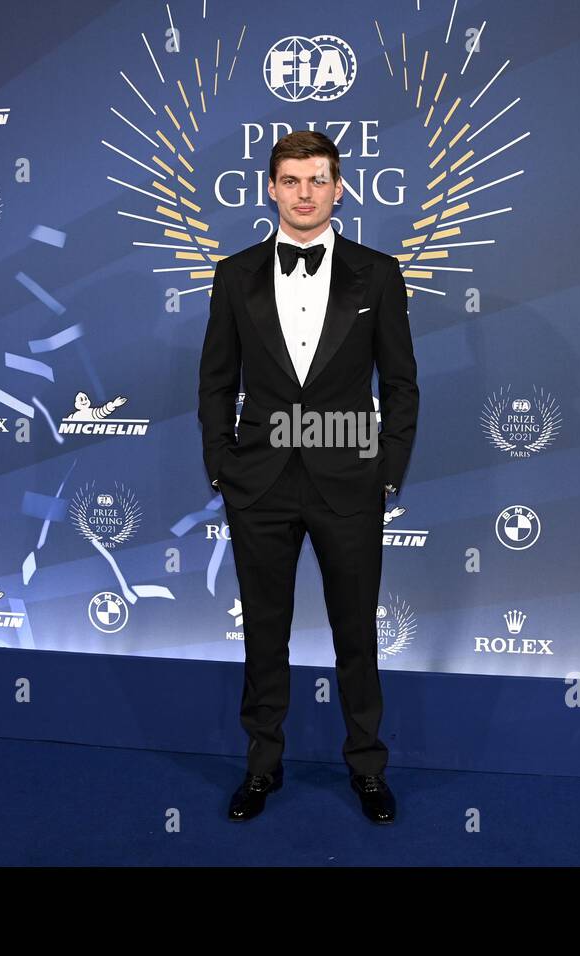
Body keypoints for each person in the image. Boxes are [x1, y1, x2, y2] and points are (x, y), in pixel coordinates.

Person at [197, 130, 419, 824]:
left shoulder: (377, 274)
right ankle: (262, 765)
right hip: (258, 485)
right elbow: (214, 382)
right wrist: (222, 469)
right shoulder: (233, 275)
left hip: (348, 478)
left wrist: (386, 472)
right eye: (290, 180)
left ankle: (367, 766)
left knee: (357, 631)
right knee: (265, 630)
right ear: (270, 188)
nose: (303, 193)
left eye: (317, 180)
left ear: (339, 187)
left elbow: (403, 383)